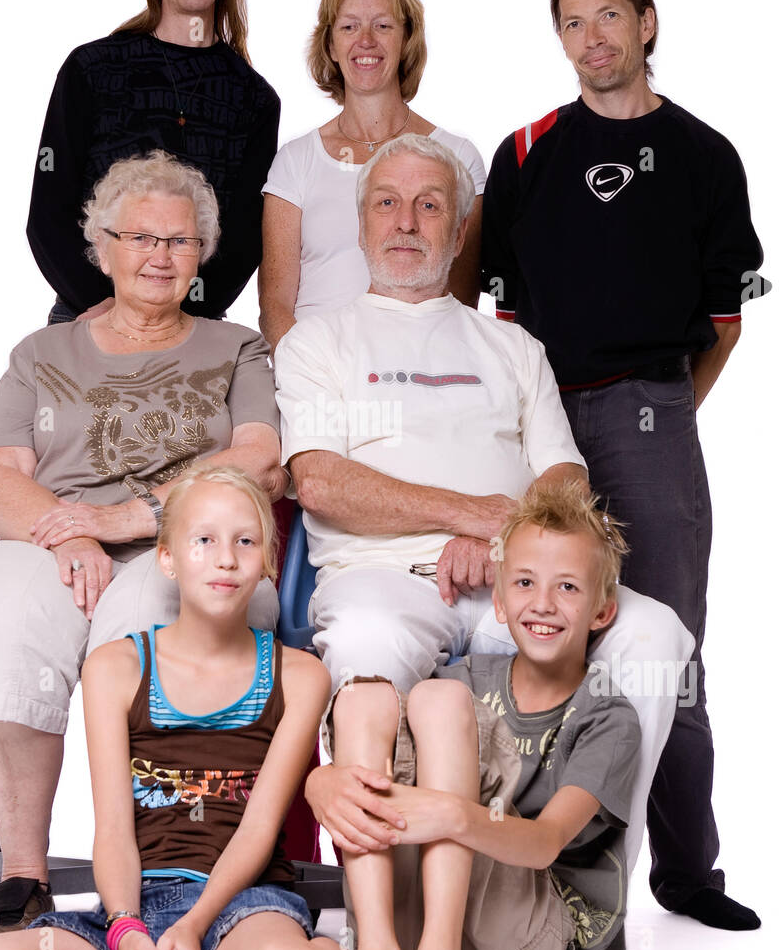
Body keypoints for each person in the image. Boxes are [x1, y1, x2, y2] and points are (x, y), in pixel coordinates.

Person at [276, 133, 691, 870]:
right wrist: (474, 518)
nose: (406, 221)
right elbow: (322, 483)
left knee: (654, 633)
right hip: (384, 581)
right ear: (362, 222)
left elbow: (564, 480)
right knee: (368, 644)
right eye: (388, 203)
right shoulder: (317, 342)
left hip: (518, 580)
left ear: (461, 229)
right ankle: (391, 904)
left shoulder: (513, 347)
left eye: (430, 206)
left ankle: (591, 889)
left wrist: (507, 553)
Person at [481, 0, 766, 931]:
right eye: (570, 22)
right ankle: (528, 865)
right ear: (557, 40)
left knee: (667, 642)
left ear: (647, 23)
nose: (591, 35)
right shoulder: (523, 153)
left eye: (609, 15)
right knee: (529, 634)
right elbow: (499, 310)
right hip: (539, 412)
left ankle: (687, 872)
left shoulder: (701, 154)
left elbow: (725, 319)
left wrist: (664, 408)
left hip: (647, 409)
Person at [0, 152, 283, 935]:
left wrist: (130, 519)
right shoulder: (42, 352)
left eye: (179, 240)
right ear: (102, 249)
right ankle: (24, 873)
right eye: (140, 238)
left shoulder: (234, 346)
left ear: (201, 253)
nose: (159, 255)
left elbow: (258, 461)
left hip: (191, 543)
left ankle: (147, 876)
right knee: (0, 602)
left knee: (146, 617)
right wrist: (64, 538)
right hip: (56, 541)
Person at [0, 467, 357, 950]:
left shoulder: (299, 675)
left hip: (243, 906)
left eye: (245, 541)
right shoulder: (115, 668)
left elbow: (257, 832)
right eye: (203, 540)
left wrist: (195, 925)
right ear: (167, 558)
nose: (225, 558)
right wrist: (127, 929)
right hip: (132, 901)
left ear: (268, 565)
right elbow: (112, 832)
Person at [305, 481, 641, 950]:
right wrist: (319, 783)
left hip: (528, 933)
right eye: (525, 583)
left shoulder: (607, 716)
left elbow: (543, 845)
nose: (543, 603)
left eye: (568, 587)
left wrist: (455, 815)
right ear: (501, 602)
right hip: (437, 916)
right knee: (368, 698)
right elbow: (385, 769)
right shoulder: (467, 676)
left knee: (437, 702)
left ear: (601, 610)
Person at [27, 0, 279, 324]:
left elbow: (243, 240)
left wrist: (179, 320)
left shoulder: (254, 101)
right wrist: (107, 311)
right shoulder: (91, 70)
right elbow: (48, 214)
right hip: (87, 317)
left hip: (194, 328)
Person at [259, 0, 485, 349]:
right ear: (330, 44)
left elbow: (461, 301)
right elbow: (275, 306)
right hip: (314, 379)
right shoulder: (296, 161)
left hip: (420, 374)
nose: (365, 41)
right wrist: (308, 380)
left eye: (382, 26)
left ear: (406, 39)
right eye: (348, 27)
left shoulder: (457, 157)